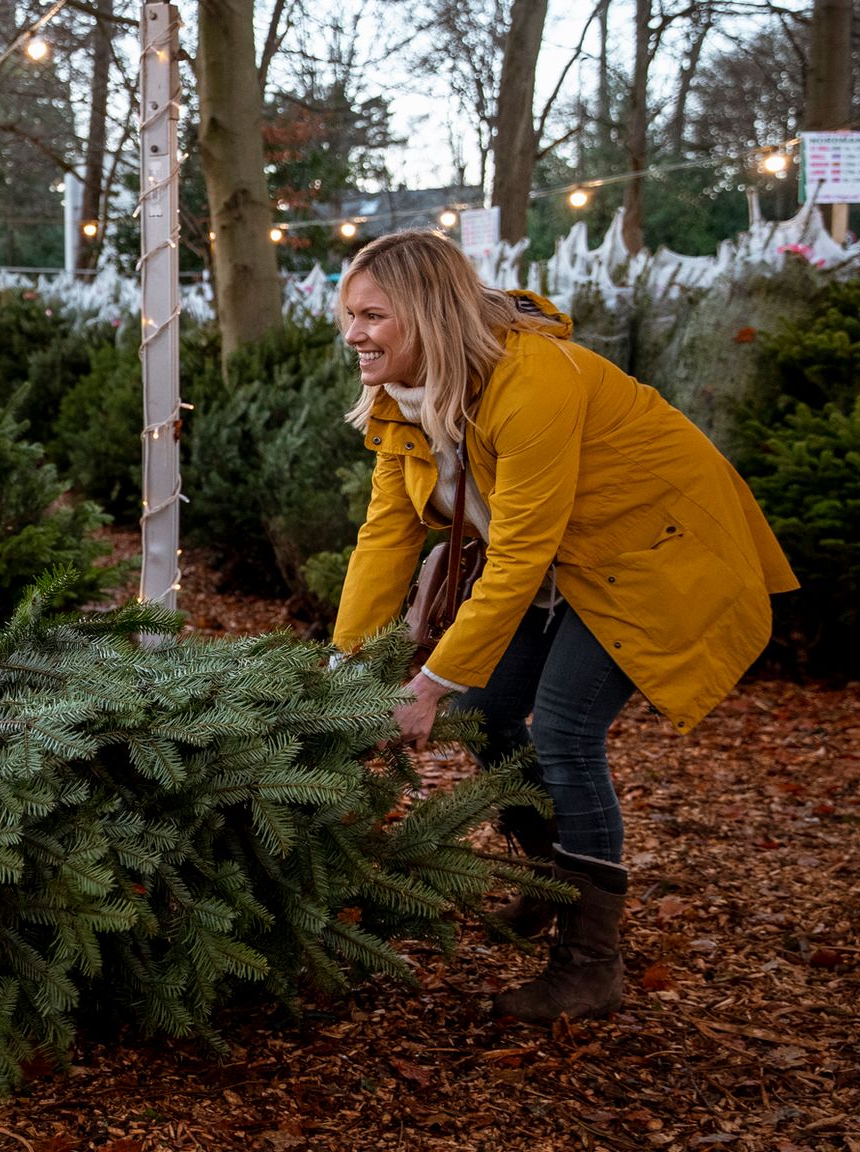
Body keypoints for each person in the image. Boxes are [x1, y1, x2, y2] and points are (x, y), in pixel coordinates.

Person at [330, 230, 796, 1023]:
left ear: (426, 312)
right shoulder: (398, 398)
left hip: (654, 554)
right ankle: (555, 882)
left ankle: (590, 963)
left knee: (567, 732)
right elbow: (386, 536)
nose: (353, 334)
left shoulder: (532, 381)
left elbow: (517, 552)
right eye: (347, 314)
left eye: (371, 315)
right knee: (482, 720)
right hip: (562, 566)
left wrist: (428, 683)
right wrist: (345, 670)